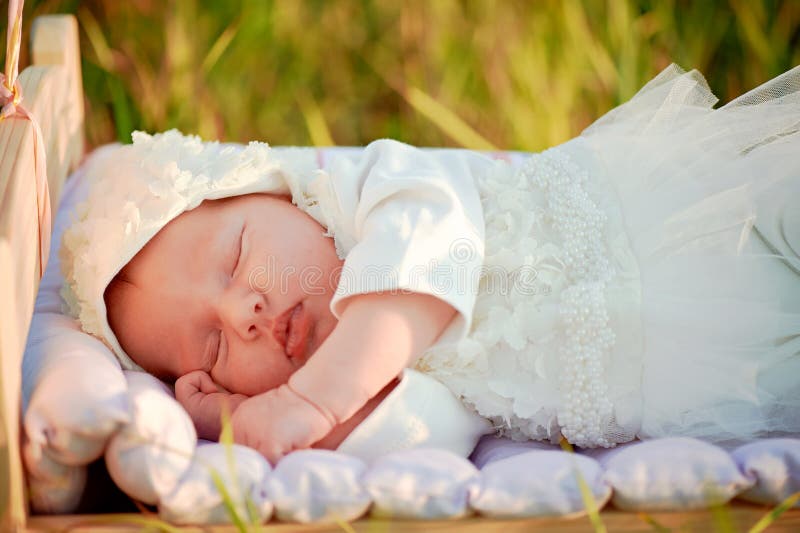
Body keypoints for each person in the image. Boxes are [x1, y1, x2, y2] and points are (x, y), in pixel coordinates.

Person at [61, 64, 800, 464]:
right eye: (213, 349)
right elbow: (409, 431)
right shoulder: (378, 376)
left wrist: (310, 397)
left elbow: (429, 262)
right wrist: (233, 419)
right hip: (686, 374)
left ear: (278, 193)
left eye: (236, 257)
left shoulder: (375, 193)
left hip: (671, 240)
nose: (241, 312)